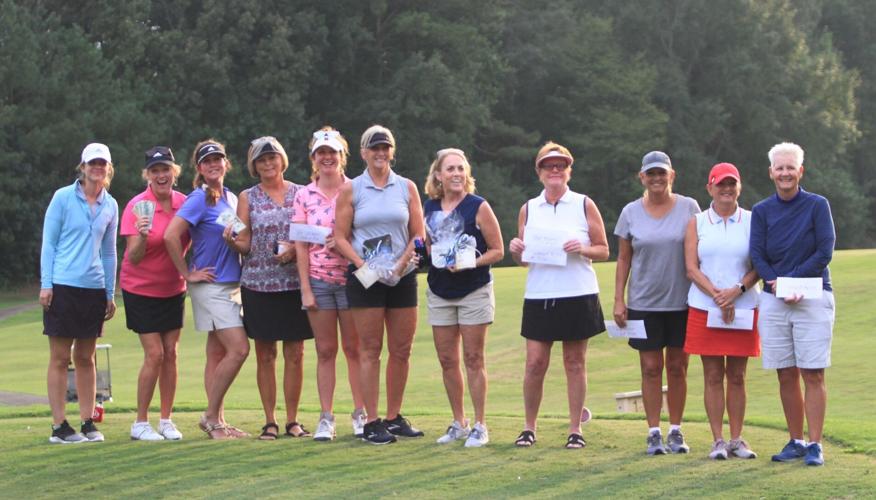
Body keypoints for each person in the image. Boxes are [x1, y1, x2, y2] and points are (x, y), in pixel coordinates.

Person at [508, 142, 609, 449]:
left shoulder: (583, 204)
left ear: (569, 171)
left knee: (575, 362)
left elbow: (604, 249)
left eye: (561, 166)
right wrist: (516, 252)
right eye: (549, 166)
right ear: (539, 172)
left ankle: (576, 428)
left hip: (577, 292)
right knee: (535, 363)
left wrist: (583, 248)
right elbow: (525, 260)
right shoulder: (528, 208)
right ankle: (529, 427)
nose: (555, 170)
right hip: (540, 294)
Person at [334, 124, 426, 445]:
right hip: (366, 277)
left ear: (392, 151)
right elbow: (339, 238)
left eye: (385, 147)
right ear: (363, 152)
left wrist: (400, 266)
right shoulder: (352, 189)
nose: (380, 153)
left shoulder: (407, 187)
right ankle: (372, 421)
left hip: (402, 275)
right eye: (374, 148)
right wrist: (365, 266)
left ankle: (394, 416)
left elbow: (418, 234)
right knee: (370, 349)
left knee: (401, 349)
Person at [750, 142, 836, 466]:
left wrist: (794, 281)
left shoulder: (817, 205)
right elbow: (757, 253)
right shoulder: (761, 211)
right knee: (785, 373)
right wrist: (777, 283)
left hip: (813, 295)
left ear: (801, 171)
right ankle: (795, 440)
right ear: (771, 172)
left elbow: (825, 250)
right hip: (774, 298)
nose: (785, 173)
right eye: (779, 168)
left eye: (791, 168)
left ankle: (815, 444)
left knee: (813, 373)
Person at [224, 136, 314, 441]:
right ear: (254, 166)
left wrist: (293, 249)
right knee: (265, 354)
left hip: (293, 282)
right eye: (261, 160)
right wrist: (231, 241)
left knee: (296, 352)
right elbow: (245, 240)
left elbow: (311, 234)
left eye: (272, 158)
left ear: (282, 160)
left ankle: (292, 420)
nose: (268, 164)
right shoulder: (247, 197)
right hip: (258, 284)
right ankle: (270, 421)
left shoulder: (301, 193)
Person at [613, 150, 700, 455]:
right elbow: (624, 258)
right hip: (643, 302)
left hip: (683, 302)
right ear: (642, 177)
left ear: (671, 175)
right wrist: (618, 300)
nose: (657, 179)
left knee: (677, 367)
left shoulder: (690, 208)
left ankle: (675, 430)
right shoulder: (630, 212)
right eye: (651, 174)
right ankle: (653, 432)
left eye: (662, 173)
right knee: (651, 367)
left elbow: (700, 251)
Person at [164, 139, 250, 440]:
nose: (214, 164)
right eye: (207, 161)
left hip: (231, 284)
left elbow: (241, 241)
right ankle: (210, 416)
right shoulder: (199, 198)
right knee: (239, 349)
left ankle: (218, 422)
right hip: (211, 285)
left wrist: (235, 243)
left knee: (217, 353)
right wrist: (187, 273)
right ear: (199, 168)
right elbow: (170, 236)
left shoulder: (229, 197)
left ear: (226, 163)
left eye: (219, 159)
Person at [423, 148, 504, 448]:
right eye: (450, 169)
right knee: (447, 359)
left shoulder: (478, 206)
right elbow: (426, 245)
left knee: (473, 358)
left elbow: (498, 250)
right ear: (439, 176)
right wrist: (428, 254)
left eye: (461, 168)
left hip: (474, 290)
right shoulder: (429, 207)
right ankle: (459, 422)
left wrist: (471, 261)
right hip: (439, 290)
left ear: (467, 174)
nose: (456, 173)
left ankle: (480, 425)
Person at [40, 142, 118, 443]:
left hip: (93, 287)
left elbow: (110, 253)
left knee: (86, 357)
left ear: (108, 168)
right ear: (83, 167)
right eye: (92, 164)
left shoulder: (110, 204)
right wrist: (46, 284)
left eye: (102, 164)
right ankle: (59, 426)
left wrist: (109, 292)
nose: (97, 168)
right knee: (60, 357)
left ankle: (87, 422)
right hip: (62, 284)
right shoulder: (62, 197)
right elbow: (49, 243)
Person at [683, 162, 760, 460]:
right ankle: (717, 440)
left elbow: (758, 266)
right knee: (713, 375)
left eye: (732, 184)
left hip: (743, 305)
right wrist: (718, 295)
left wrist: (736, 291)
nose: (726, 189)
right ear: (709, 188)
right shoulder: (697, 222)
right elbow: (691, 268)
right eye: (720, 184)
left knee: (738, 376)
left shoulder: (753, 220)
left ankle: (736, 439)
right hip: (705, 306)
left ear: (739, 187)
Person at [294, 127, 365, 441]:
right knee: (325, 351)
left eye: (332, 152)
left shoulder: (356, 189)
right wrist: (306, 289)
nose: (327, 158)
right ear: (313, 158)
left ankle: (361, 414)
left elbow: (365, 232)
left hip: (352, 280)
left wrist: (344, 245)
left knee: (355, 350)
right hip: (319, 281)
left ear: (342, 156)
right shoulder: (304, 195)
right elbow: (299, 244)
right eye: (321, 153)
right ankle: (326, 418)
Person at [120, 146, 189, 441]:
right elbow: (132, 257)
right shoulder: (137, 205)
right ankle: (140, 422)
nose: (161, 175)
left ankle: (166, 420)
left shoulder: (184, 203)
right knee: (155, 354)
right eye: (155, 170)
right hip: (140, 288)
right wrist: (143, 235)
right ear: (147, 175)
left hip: (173, 288)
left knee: (171, 354)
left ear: (174, 172)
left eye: (166, 169)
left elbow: (194, 241)